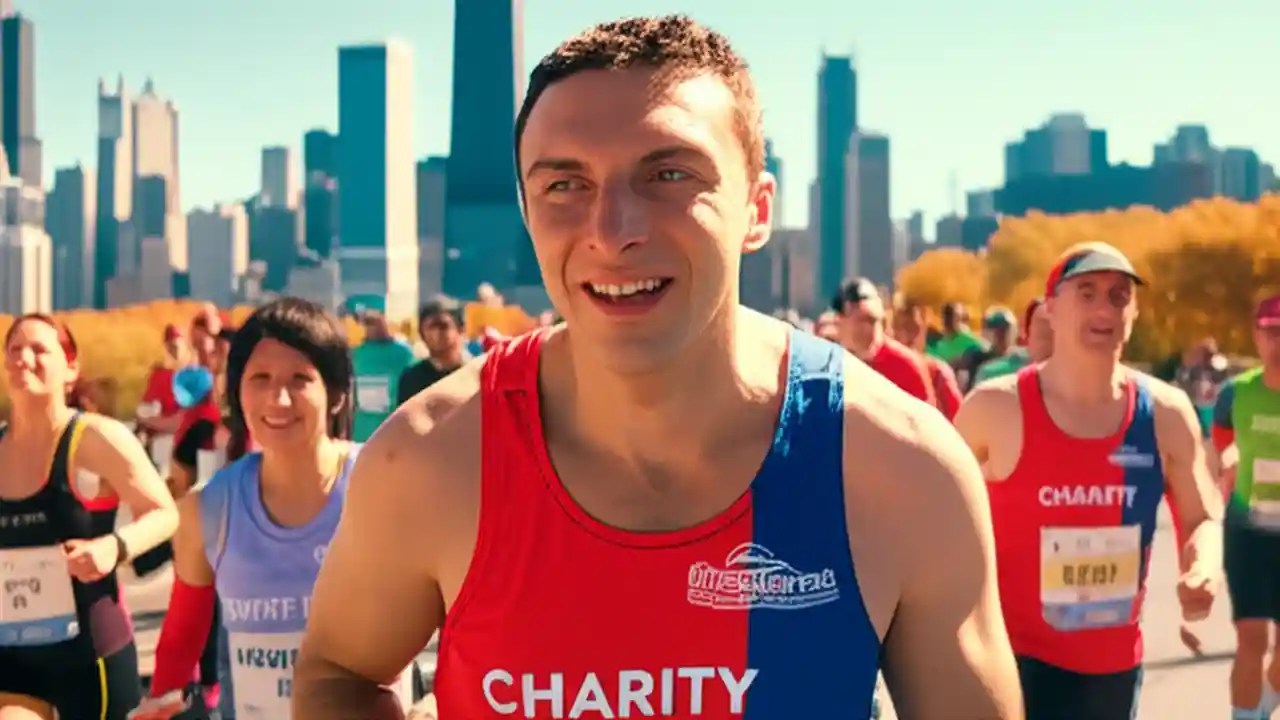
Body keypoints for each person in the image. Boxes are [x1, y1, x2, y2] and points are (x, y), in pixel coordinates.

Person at [293, 15, 1022, 720]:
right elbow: (338, 676)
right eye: (565, 186)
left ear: (757, 209)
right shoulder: (427, 458)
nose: (612, 232)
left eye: (668, 174)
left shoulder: (901, 469)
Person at [955, 242, 1223, 719]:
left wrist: (1201, 567)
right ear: (1051, 310)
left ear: (1134, 313)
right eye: (1087, 293)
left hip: (1113, 671)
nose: (1105, 308)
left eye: (1120, 296)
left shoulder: (1165, 413)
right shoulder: (993, 409)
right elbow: (932, 516)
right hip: (1013, 663)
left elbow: (1203, 517)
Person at [130, 298, 414, 720]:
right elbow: (183, 632)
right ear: (237, 390)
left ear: (335, 394)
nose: (278, 399)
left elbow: (454, 611)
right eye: (259, 378)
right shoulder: (208, 509)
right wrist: (160, 698)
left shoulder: (381, 486)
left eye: (300, 379)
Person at [0, 314, 179, 720]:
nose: (24, 359)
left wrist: (113, 547)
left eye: (39, 349)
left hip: (90, 657)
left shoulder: (97, 438)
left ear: (70, 369)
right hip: (11, 656)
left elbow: (164, 512)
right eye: (14, 349)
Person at [1211, 293, 1280, 719]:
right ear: (1256, 336)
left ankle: (1266, 702)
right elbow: (1220, 443)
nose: (1278, 341)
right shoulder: (1235, 393)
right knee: (1250, 639)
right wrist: (1226, 463)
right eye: (1271, 332)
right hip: (1248, 531)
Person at [833, 278, 937, 408]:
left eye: (873, 321)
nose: (868, 330)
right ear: (839, 321)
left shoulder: (906, 366)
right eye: (860, 321)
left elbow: (925, 421)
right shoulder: (830, 367)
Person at [351, 308, 417, 441]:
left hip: (394, 433)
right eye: (368, 322)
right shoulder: (356, 354)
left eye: (375, 321)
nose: (372, 327)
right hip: (362, 434)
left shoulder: (403, 353)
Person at [892, 297, 962, 420]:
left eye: (913, 327)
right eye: (900, 327)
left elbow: (958, 419)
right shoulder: (878, 372)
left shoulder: (937, 372)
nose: (907, 334)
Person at [396, 296, 470, 406]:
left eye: (443, 326)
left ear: (460, 330)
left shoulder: (475, 375)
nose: (437, 333)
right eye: (432, 327)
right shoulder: (412, 379)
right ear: (422, 334)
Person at [972, 307, 1031, 388]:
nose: (999, 335)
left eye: (1004, 329)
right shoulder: (976, 358)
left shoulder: (1026, 358)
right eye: (995, 329)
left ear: (1014, 330)